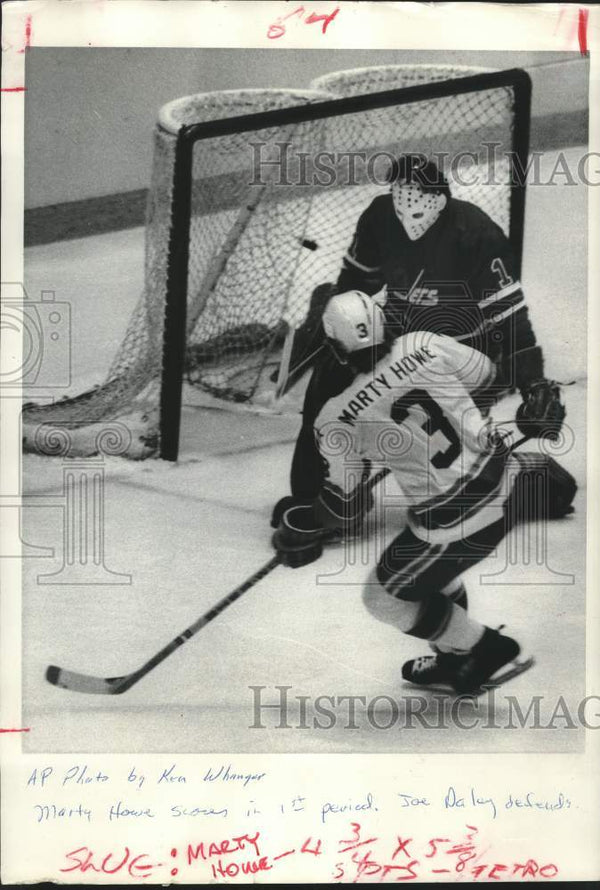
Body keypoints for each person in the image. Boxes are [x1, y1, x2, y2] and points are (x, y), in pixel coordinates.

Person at [272, 291, 575, 695]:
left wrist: (302, 522)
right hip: (508, 479)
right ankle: (454, 660)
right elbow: (487, 381)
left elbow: (346, 507)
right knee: (424, 573)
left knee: (383, 598)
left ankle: (486, 648)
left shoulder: (334, 417)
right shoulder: (423, 343)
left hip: (460, 520)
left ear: (335, 348)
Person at [273, 153, 558, 520]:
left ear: (440, 200)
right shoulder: (379, 217)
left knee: (411, 410)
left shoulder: (476, 233)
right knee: (330, 377)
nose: (408, 216)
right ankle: (321, 490)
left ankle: (504, 478)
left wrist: (534, 384)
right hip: (403, 340)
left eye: (419, 205)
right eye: (400, 199)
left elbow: (512, 322)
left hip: (467, 352)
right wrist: (346, 338)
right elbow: (355, 287)